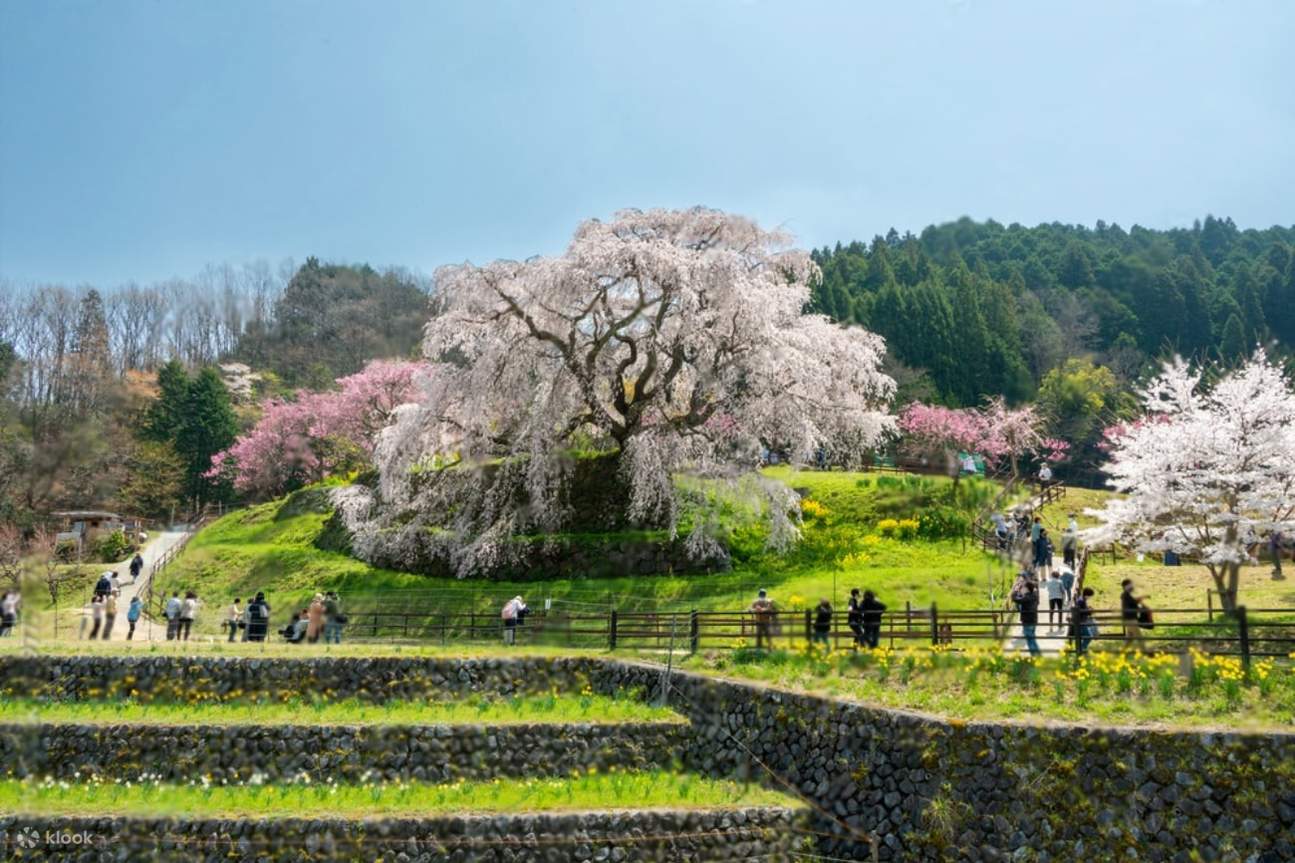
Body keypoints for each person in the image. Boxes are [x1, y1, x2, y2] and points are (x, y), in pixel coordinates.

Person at [1120, 579, 1146, 650]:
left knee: (1129, 639)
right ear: (1125, 586)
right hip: (1130, 619)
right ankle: (1146, 653)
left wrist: (1141, 599)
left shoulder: (1127, 595)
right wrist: (1138, 608)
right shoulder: (1125, 595)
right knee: (1139, 637)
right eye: (1130, 585)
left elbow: (1133, 603)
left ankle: (1121, 653)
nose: (1132, 586)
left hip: (1129, 619)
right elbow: (1130, 606)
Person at [1018, 581, 1041, 657]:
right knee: (1032, 638)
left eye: (1023, 587)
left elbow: (1015, 599)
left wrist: (1015, 591)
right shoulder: (1034, 595)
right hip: (1033, 619)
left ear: (1027, 589)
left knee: (1030, 640)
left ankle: (1035, 656)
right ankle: (1038, 655)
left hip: (1027, 621)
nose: (1022, 589)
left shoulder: (1027, 597)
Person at [1072, 587, 1097, 655]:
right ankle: (1082, 649)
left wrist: (1088, 608)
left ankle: (1082, 649)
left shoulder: (1082, 599)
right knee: (1089, 636)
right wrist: (1090, 611)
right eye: (1090, 596)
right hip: (1081, 622)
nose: (1090, 597)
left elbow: (1083, 609)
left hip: (1082, 621)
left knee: (1087, 636)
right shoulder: (1081, 601)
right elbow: (1082, 611)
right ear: (1087, 595)